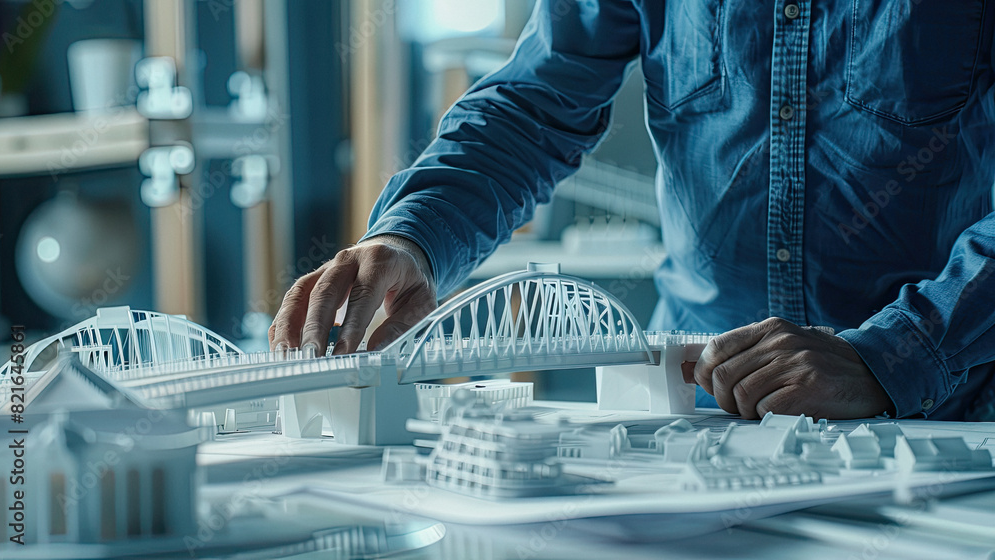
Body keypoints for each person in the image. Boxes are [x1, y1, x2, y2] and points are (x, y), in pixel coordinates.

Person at [269, 1, 995, 421]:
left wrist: (894, 356)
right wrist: (414, 234)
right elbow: (534, 107)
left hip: (944, 418)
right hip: (699, 412)